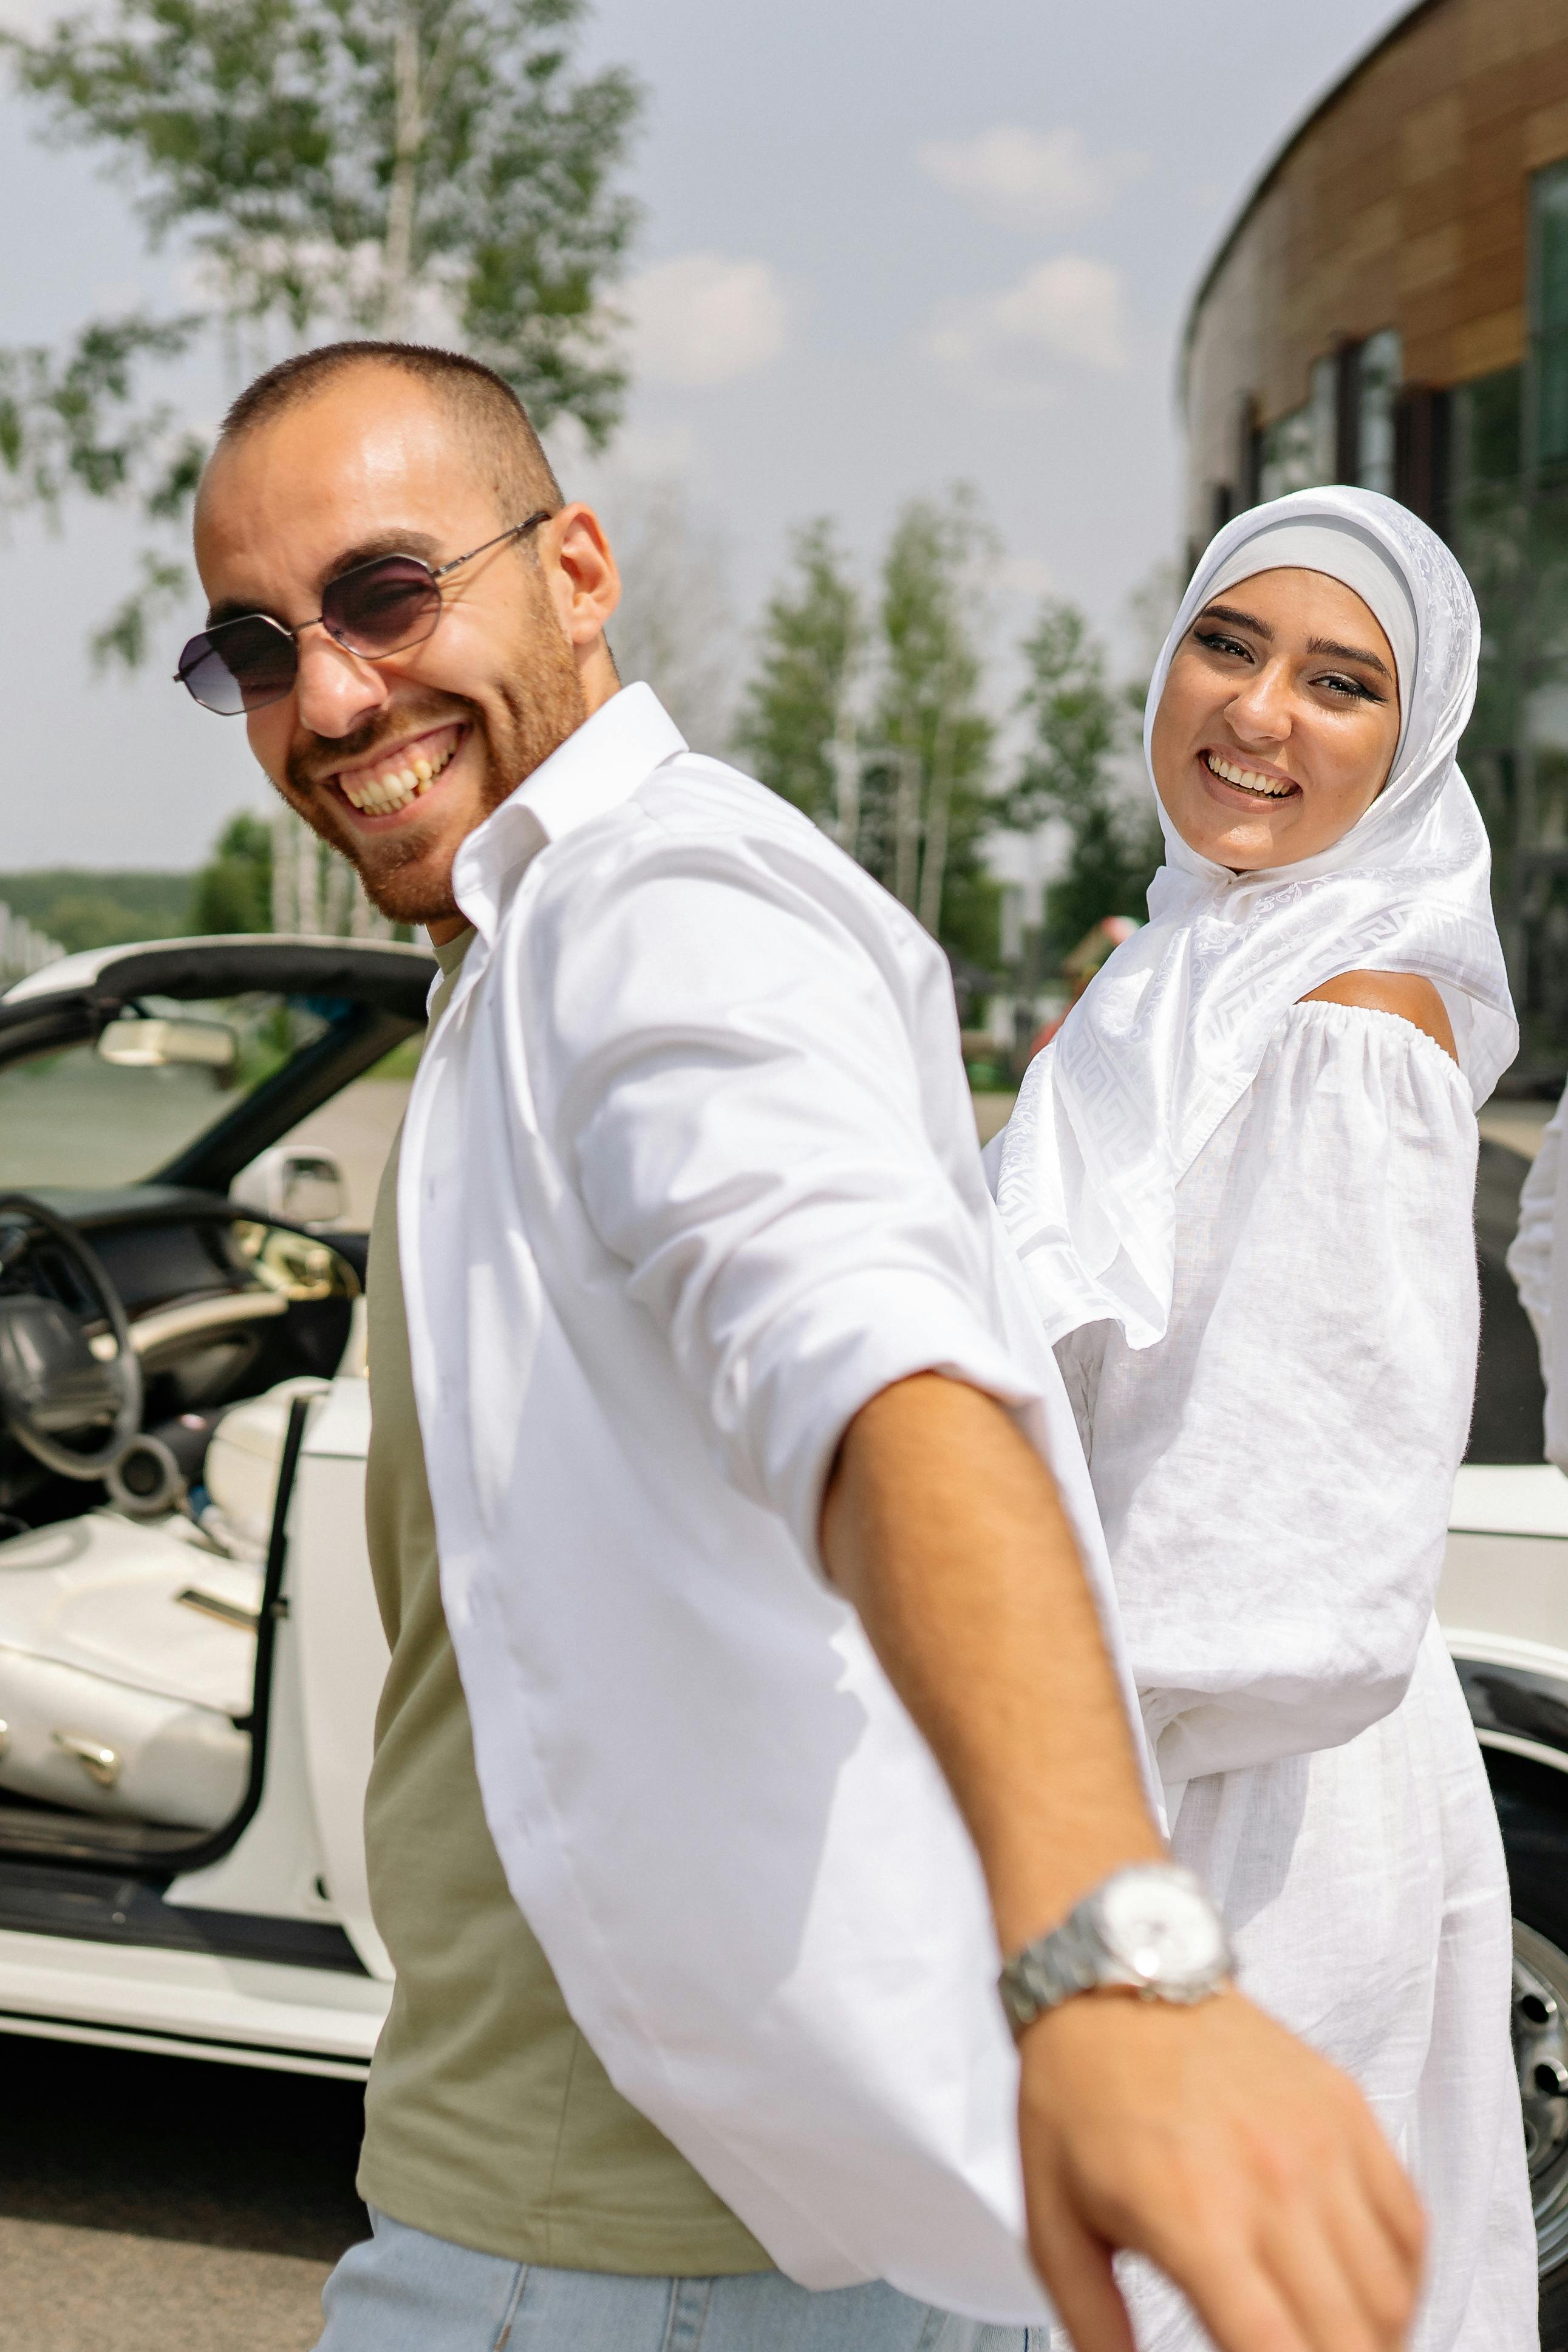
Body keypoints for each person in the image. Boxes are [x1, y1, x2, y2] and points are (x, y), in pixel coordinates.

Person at [181, 345, 1423, 2352]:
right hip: (687, 2226)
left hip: (610, 2264)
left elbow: (884, 1376)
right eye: (254, 645)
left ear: (576, 568)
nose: (325, 695)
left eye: (390, 595)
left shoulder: (656, 911)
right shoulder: (527, 940)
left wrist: (1115, 1964)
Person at [992, 485, 1535, 2350]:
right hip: (1153, 1766)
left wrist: (1045, 1828)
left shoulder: (1347, 1024)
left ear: (1411, 748)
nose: (1260, 714)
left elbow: (1280, 1553)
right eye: (1230, 644)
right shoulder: (1193, 960)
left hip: (1226, 1808)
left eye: (1342, 682)